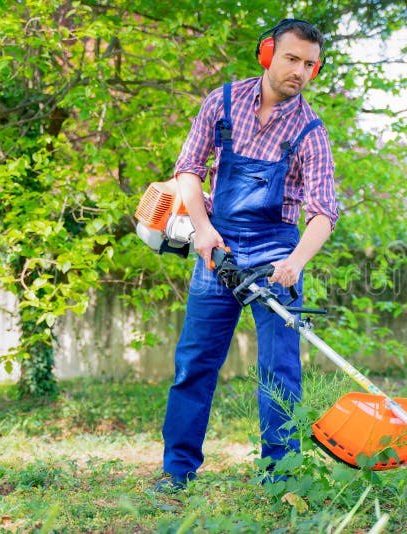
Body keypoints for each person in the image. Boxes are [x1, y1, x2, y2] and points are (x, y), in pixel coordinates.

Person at [155, 19, 338, 491]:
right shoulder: (223, 102)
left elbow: (322, 213)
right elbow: (189, 169)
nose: (299, 71)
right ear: (268, 54)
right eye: (291, 58)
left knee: (280, 368)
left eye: (309, 64)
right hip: (218, 247)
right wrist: (202, 229)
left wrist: (295, 261)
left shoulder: (311, 131)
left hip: (278, 253)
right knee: (194, 362)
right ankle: (176, 471)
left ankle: (281, 477)